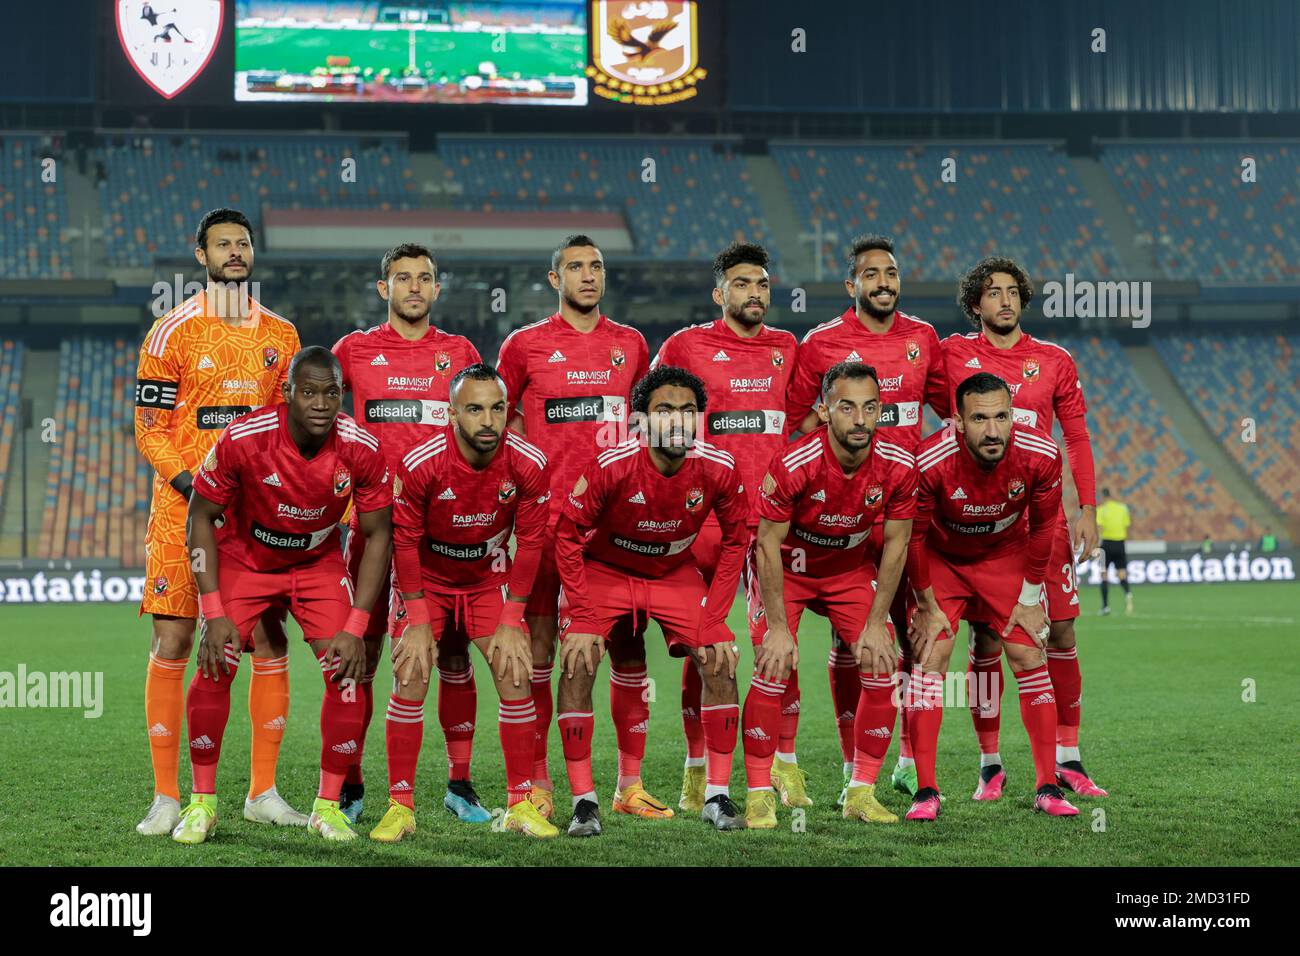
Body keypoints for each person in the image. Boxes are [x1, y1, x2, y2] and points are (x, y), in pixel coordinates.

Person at [175, 347, 393, 843]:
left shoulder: (362, 447)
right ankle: (202, 804)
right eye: (308, 391)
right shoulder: (245, 437)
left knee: (347, 672)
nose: (320, 403)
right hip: (246, 559)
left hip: (317, 564)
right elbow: (200, 516)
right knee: (217, 659)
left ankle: (328, 806)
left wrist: (357, 625)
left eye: (331, 392)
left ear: (343, 395)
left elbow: (379, 533)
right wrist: (212, 611)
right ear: (288, 393)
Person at [133, 207, 302, 836]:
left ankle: (262, 790)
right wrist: (192, 484)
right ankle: (167, 797)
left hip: (255, 519)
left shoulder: (282, 336)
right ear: (199, 256)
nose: (235, 252)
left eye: (243, 243)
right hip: (183, 512)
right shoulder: (170, 331)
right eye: (222, 244)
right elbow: (149, 429)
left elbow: (292, 428)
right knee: (174, 642)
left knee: (267, 641)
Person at [782, 234, 946, 804]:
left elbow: (956, 411)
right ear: (852, 286)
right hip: (839, 516)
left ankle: (906, 760)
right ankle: (855, 764)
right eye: (871, 275)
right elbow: (796, 424)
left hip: (907, 515)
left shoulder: (924, 338)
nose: (884, 283)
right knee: (850, 642)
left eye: (892, 273)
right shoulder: (821, 342)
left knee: (912, 635)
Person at [554, 365, 750, 835]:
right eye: (664, 411)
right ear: (640, 421)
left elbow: (737, 538)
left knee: (720, 658)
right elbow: (567, 535)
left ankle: (716, 796)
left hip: (672, 572)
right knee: (579, 661)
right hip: (607, 570)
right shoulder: (612, 464)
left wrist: (717, 618)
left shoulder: (718, 468)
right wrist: (581, 613)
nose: (678, 421)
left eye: (688, 411)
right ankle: (585, 802)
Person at [938, 256, 1106, 800]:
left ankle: (1069, 758)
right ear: (975, 303)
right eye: (992, 292)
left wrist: (1088, 510)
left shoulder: (1053, 360)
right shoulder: (950, 356)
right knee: (986, 637)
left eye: (1012, 291)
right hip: (980, 525)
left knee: (1059, 630)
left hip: (1044, 519)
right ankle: (990, 762)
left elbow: (1076, 438)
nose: (1004, 300)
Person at [495, 234, 649, 819]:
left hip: (611, 533)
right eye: (576, 267)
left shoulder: (630, 345)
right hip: (540, 527)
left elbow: (645, 427)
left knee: (626, 650)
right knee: (537, 654)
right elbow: (497, 424)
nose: (589, 275)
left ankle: (627, 786)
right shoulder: (524, 345)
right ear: (555, 278)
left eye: (597, 267)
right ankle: (538, 785)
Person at [332, 242, 482, 824]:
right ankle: (351, 780)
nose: (414, 287)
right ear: (383, 289)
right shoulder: (354, 350)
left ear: (437, 289)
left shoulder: (460, 351)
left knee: (452, 652)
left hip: (445, 534)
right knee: (360, 654)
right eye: (403, 278)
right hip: (372, 531)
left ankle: (459, 782)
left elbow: (482, 425)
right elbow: (312, 413)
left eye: (424, 278)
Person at [372, 364, 555, 841]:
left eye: (497, 409)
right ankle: (400, 806)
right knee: (411, 673)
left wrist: (513, 619)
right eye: (474, 409)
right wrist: (415, 619)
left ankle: (520, 803)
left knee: (517, 671)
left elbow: (531, 544)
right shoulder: (421, 463)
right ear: (452, 413)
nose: (488, 421)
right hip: (426, 580)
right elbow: (405, 543)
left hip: (486, 577)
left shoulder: (529, 463)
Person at [650, 241, 798, 812]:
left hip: (768, 526)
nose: (754, 293)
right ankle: (697, 774)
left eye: (761, 284)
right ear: (720, 293)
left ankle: (781, 767)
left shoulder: (788, 348)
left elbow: (809, 418)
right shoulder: (684, 346)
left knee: (774, 648)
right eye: (741, 284)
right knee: (703, 649)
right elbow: (658, 418)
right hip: (701, 523)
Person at [745, 362, 916, 828]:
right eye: (847, 407)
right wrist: (778, 627)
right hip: (789, 570)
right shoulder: (793, 463)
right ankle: (760, 790)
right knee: (775, 662)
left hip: (847, 571)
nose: (860, 419)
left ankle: (860, 791)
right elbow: (767, 545)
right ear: (824, 410)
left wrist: (879, 621)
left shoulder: (899, 465)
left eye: (869, 407)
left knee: (883, 662)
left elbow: (897, 542)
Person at [906, 372, 1078, 820]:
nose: (994, 430)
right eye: (980, 419)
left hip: (1005, 555)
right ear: (958, 422)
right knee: (931, 658)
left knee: (1027, 656)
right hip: (943, 559)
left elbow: (1042, 529)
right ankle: (926, 791)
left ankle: (1047, 786)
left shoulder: (1040, 454)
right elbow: (914, 538)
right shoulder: (929, 461)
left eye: (1002, 416)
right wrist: (925, 605)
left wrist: (1029, 597)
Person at [1096, 487, 1133, 616]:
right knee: (1122, 574)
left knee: (1103, 574)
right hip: (1120, 544)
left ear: (1103, 496)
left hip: (1105, 544)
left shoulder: (1100, 510)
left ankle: (1105, 607)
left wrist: (1096, 546)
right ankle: (1128, 595)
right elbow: (1126, 525)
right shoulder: (1123, 508)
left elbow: (1099, 528)